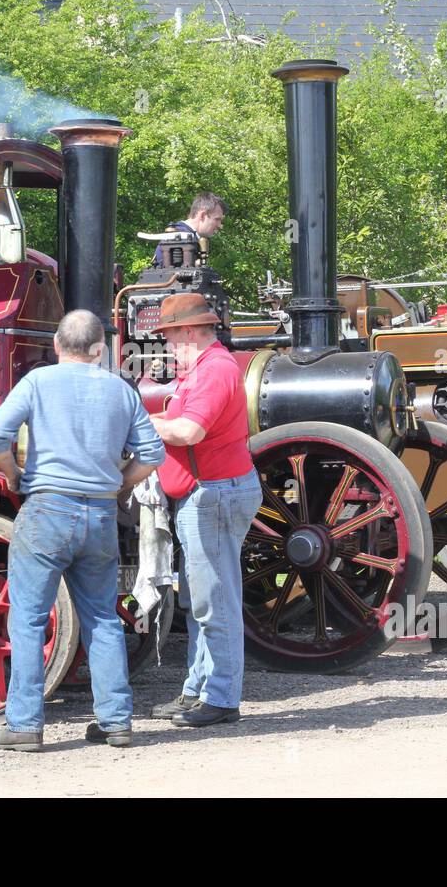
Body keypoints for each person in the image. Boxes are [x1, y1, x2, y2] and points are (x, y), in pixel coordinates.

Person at [0, 310, 165, 752]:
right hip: (99, 516)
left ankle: (24, 725)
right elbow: (152, 454)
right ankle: (116, 722)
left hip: (47, 511)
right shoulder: (121, 390)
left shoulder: (38, 383)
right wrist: (118, 484)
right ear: (100, 351)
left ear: (57, 347)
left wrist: (13, 475)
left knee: (27, 618)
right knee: (102, 618)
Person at [148, 293, 260, 728]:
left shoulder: (214, 370)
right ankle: (198, 691)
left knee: (216, 601)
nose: (167, 345)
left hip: (211, 494)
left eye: (171, 336)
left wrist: (139, 421)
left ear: (191, 332)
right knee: (199, 598)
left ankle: (222, 698)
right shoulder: (206, 368)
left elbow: (189, 431)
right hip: (207, 492)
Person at [152, 192, 227, 266]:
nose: (220, 225)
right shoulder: (180, 238)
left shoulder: (191, 238)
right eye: (217, 219)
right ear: (203, 215)